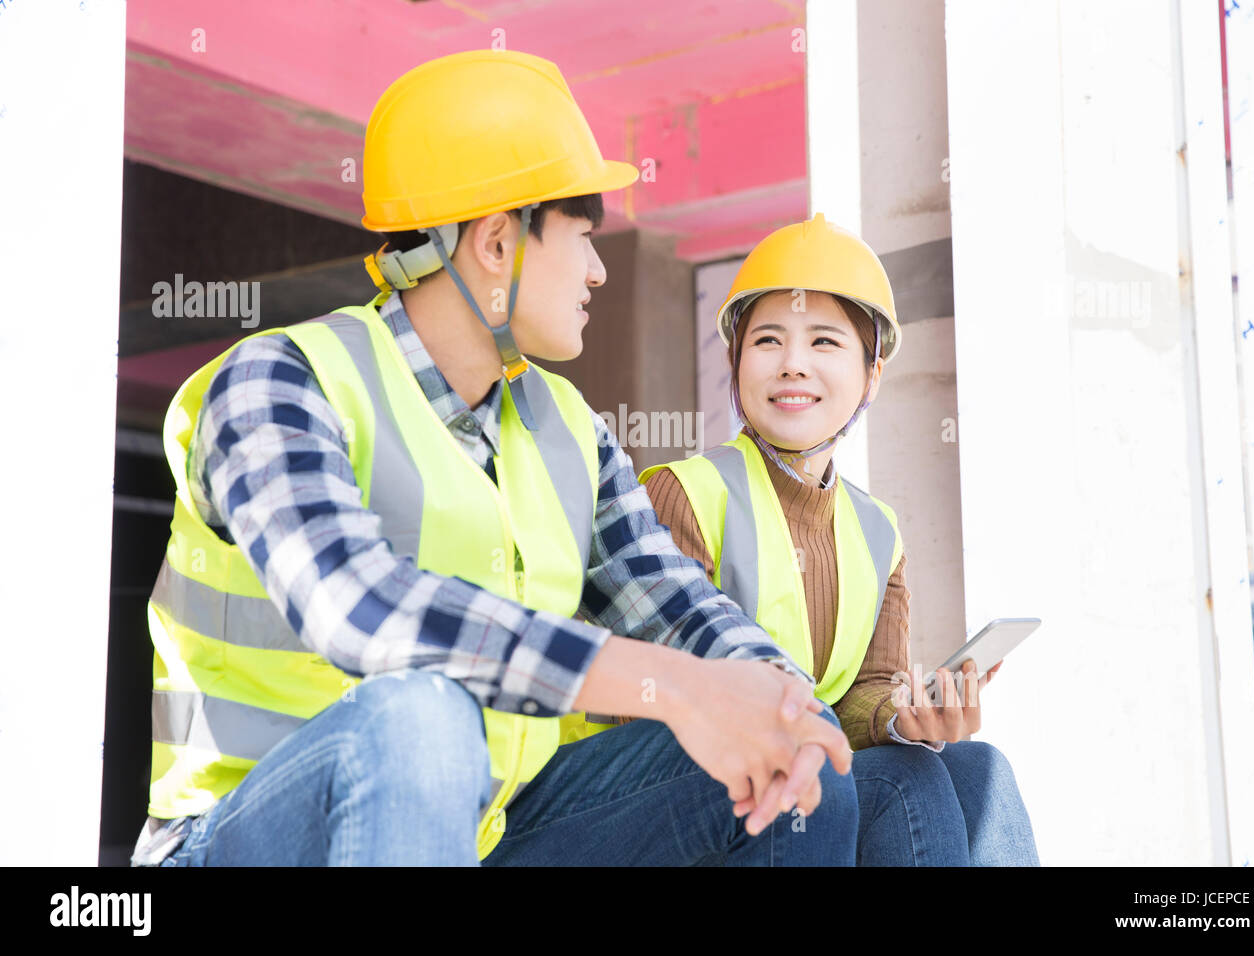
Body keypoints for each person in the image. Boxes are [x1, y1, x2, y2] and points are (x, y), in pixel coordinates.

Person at [130, 51, 858, 868]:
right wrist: (676, 688)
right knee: (418, 719)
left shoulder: (569, 429)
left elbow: (678, 606)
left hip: (482, 835)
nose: (597, 269)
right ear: (498, 243)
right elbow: (357, 609)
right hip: (242, 837)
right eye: (583, 237)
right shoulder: (279, 382)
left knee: (801, 748)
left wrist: (772, 692)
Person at [639, 214, 1040, 865]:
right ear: (737, 362)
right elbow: (657, 700)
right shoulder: (683, 493)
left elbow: (862, 692)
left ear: (872, 375)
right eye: (767, 340)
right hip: (686, 788)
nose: (792, 364)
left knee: (975, 767)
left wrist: (900, 720)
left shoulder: (877, 531)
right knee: (905, 778)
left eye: (824, 342)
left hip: (805, 769)